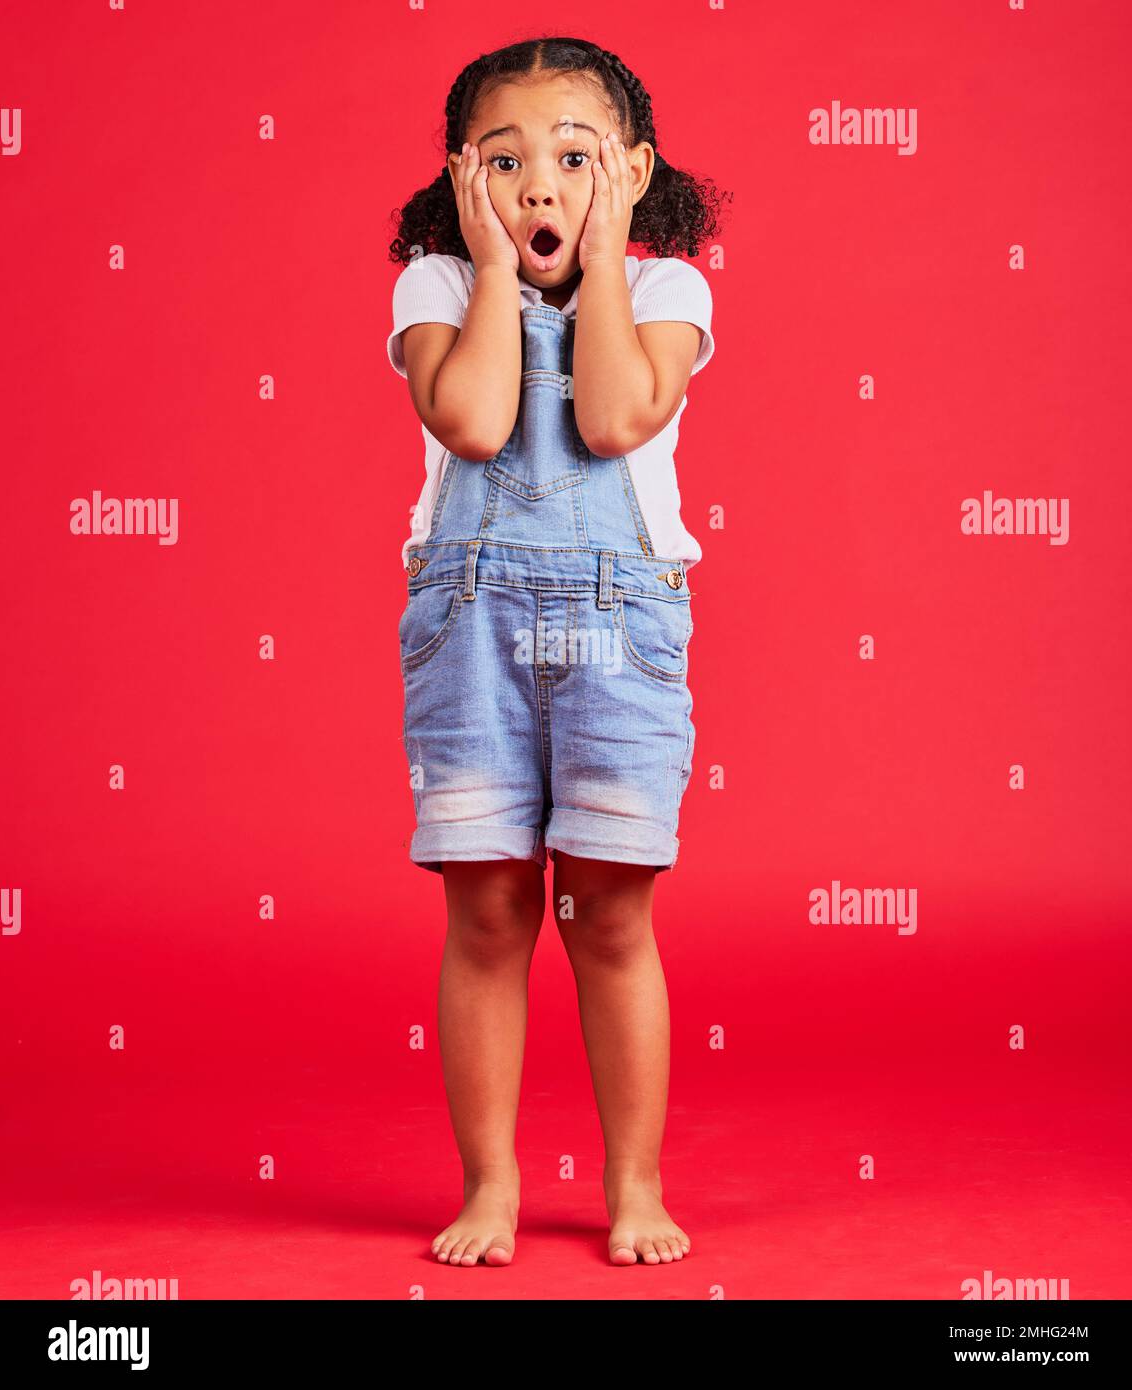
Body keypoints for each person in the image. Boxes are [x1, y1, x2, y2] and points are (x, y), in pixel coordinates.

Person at [386, 35, 728, 1267]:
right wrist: (488, 268)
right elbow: (476, 424)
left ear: (631, 173)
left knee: (609, 914)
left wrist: (602, 267)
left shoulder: (666, 294)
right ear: (462, 179)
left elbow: (611, 414)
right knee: (485, 913)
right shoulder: (434, 288)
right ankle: (492, 1186)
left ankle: (633, 1186)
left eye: (575, 158)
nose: (539, 184)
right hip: (471, 622)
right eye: (505, 160)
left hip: (619, 625)